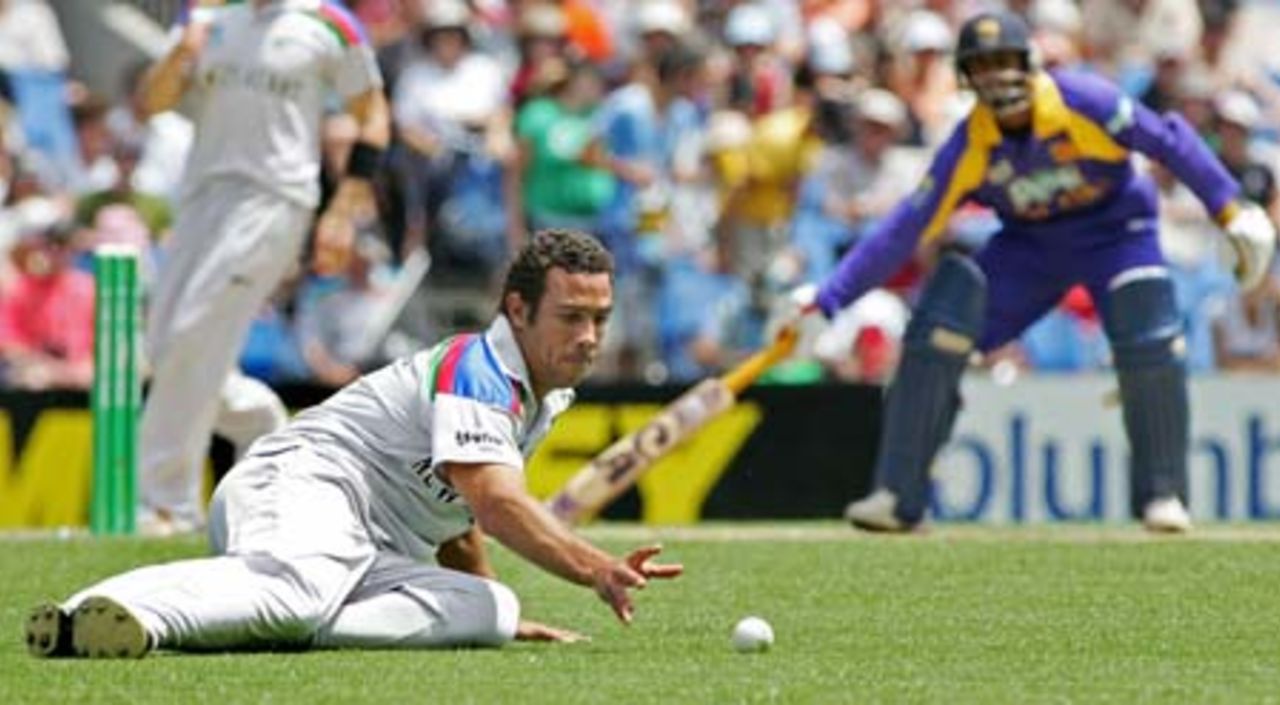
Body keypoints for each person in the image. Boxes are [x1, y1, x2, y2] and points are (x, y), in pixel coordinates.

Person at [25, 229, 683, 659]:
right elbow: (495, 501)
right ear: (517, 309)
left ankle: (280, 618)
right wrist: (595, 568)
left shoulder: (545, 392)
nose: (591, 336)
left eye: (600, 317)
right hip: (299, 487)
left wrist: (486, 601)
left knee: (492, 608)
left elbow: (456, 515)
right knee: (298, 593)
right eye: (572, 317)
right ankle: (96, 613)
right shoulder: (479, 369)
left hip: (362, 550)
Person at [782, 11, 1276, 533]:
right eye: (983, 66)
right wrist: (831, 297)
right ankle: (900, 496)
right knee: (939, 326)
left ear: (1030, 64)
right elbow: (907, 226)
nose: (997, 77)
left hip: (1117, 232)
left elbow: (1170, 139)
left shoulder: (1084, 101)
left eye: (1006, 62)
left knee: (1146, 322)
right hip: (1031, 247)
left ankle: (1163, 493)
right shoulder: (971, 143)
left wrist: (1231, 207)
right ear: (967, 77)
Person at [135, 0, 391, 534]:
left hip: (275, 199)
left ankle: (167, 507)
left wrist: (343, 210)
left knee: (190, 336)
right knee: (164, 350)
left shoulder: (327, 23)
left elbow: (372, 114)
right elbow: (152, 103)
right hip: (202, 197)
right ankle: (264, 425)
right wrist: (182, 53)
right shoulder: (209, 19)